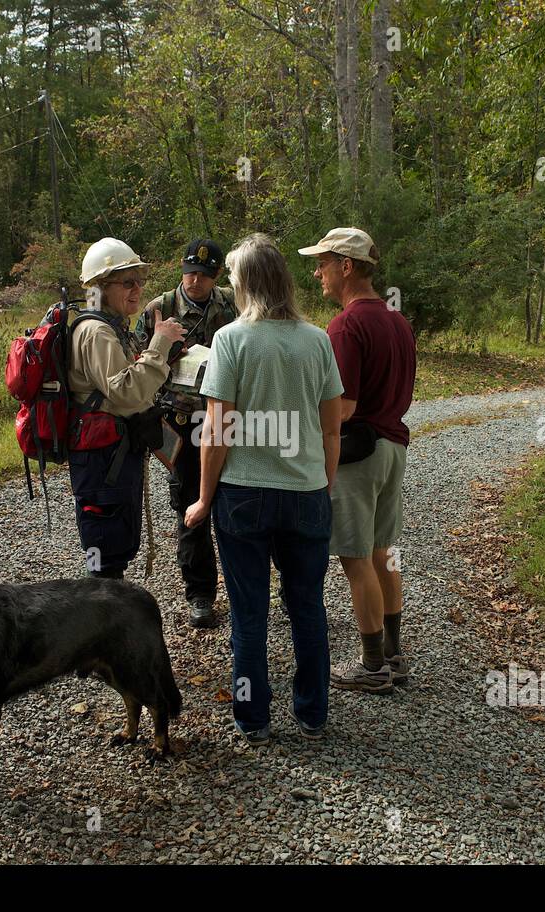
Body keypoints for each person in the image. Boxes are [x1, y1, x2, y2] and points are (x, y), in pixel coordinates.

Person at [184, 233, 343, 744]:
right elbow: (332, 426)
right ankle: (313, 712)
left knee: (249, 614)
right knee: (307, 606)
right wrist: (323, 481)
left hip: (243, 494)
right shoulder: (317, 340)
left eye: (233, 277)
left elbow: (216, 430)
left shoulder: (232, 340)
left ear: (247, 283)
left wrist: (205, 498)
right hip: (306, 493)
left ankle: (253, 718)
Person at [298, 227, 416, 694]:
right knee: (383, 552)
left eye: (323, 263)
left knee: (354, 557)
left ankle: (371, 667)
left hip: (358, 453)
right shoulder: (396, 319)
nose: (317, 272)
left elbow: (341, 409)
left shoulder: (346, 325)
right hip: (393, 447)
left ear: (347, 266)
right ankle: (394, 654)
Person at [67, 237, 186, 578]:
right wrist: (159, 344)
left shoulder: (113, 328)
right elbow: (126, 392)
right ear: (101, 287)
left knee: (115, 550)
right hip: (103, 462)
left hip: (112, 457)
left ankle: (109, 621)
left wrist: (161, 352)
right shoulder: (96, 333)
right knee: (104, 556)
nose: (137, 290)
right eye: (127, 282)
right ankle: (100, 624)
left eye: (139, 281)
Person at [138, 239, 238, 629]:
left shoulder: (231, 303)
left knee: (233, 502)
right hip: (181, 423)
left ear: (215, 277)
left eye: (204, 275)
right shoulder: (158, 309)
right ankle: (200, 594)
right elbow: (137, 361)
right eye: (190, 273)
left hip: (227, 420)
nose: (195, 281)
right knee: (190, 509)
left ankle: (248, 586)